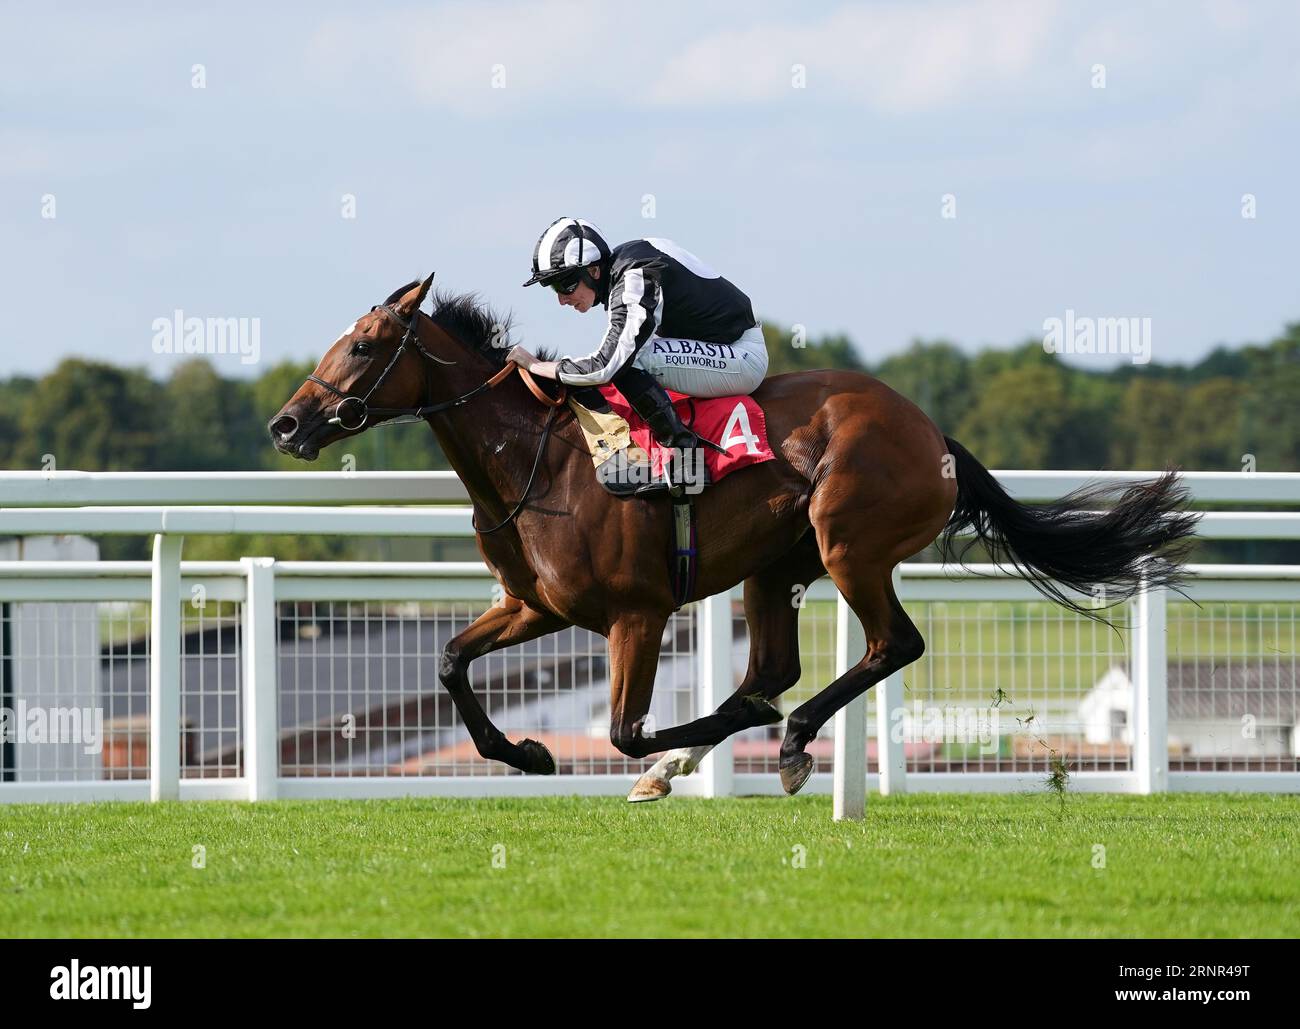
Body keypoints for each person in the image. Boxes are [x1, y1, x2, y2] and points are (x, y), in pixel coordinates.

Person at [511, 218, 767, 495]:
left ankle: (685, 456)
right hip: (719, 346)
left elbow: (608, 365)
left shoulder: (635, 275)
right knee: (630, 357)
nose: (561, 299)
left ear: (594, 270)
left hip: (742, 355)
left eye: (564, 284)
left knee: (629, 362)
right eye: (552, 288)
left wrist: (538, 365)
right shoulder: (624, 268)